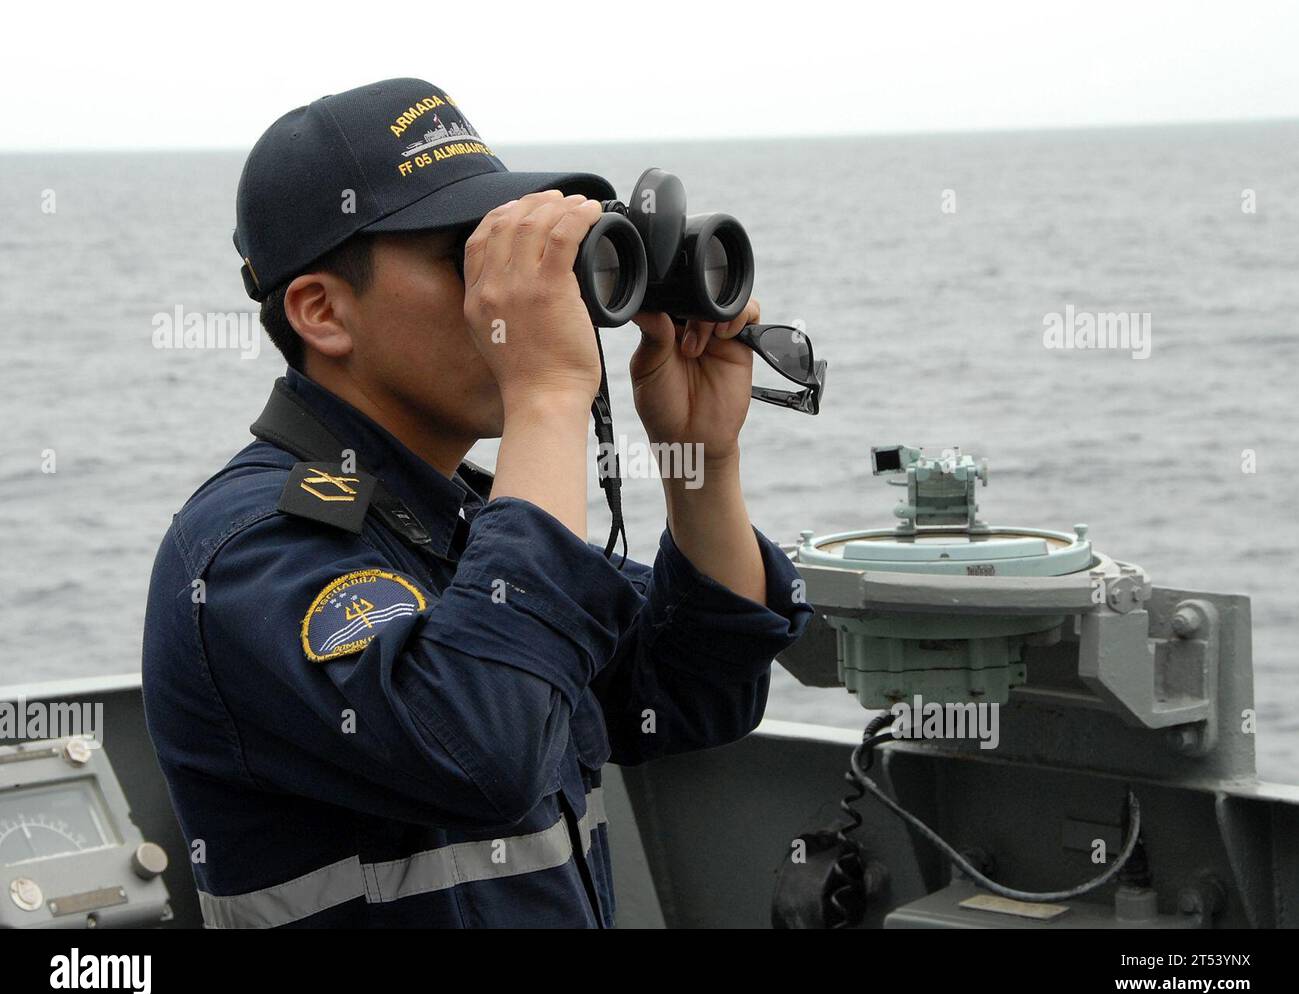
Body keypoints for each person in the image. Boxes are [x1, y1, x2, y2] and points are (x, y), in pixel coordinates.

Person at [141, 77, 813, 929]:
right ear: (322, 312)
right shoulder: (248, 553)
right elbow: (481, 752)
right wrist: (544, 392)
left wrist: (702, 461)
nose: (522, 298)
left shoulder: (457, 523)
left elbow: (691, 689)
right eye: (472, 258)